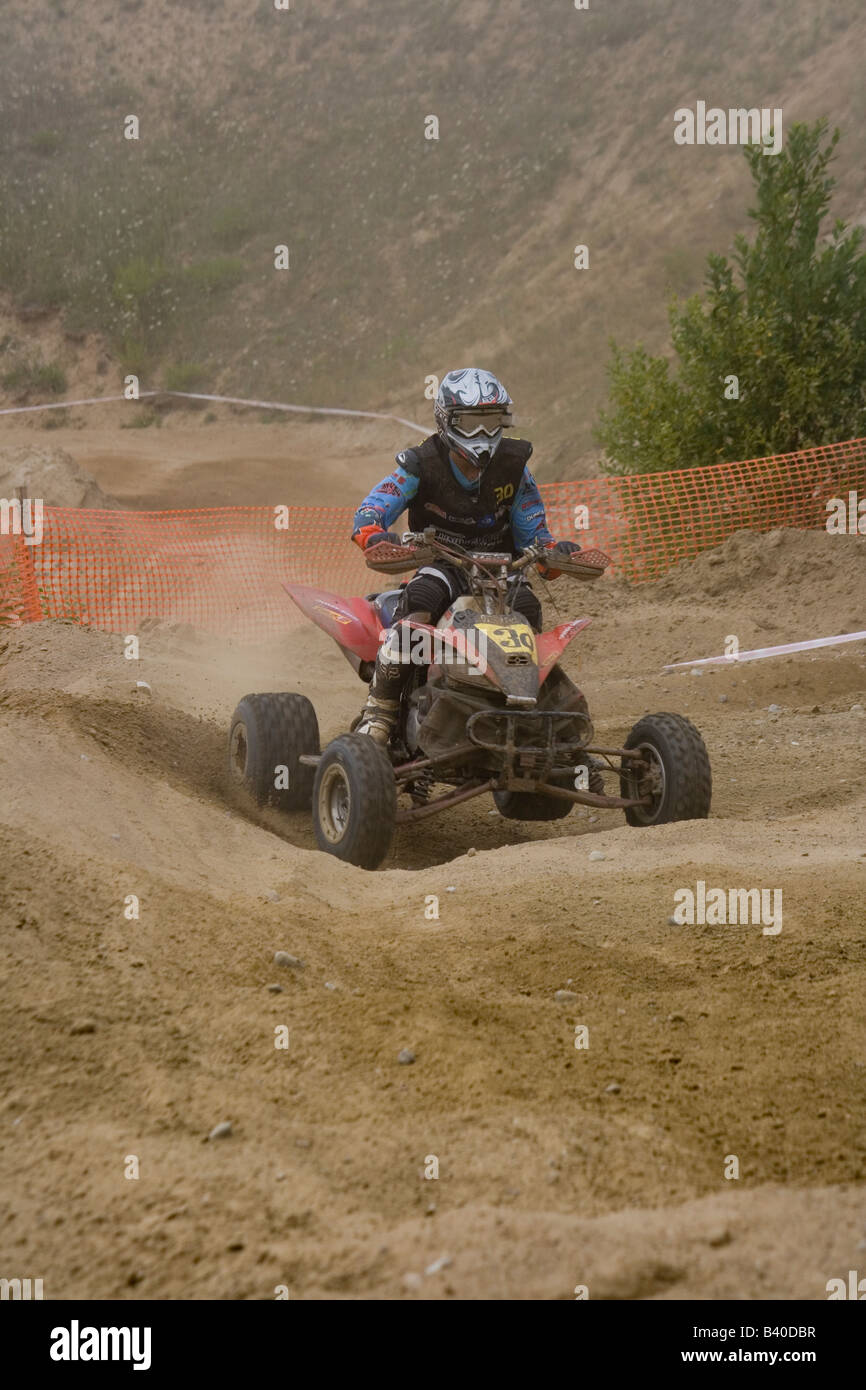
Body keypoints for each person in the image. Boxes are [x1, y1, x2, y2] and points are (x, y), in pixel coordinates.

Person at [350, 367, 581, 744]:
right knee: (421, 602)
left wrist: (553, 553)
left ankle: (523, 713)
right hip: (444, 564)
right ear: (448, 420)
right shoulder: (421, 463)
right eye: (472, 423)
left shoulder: (515, 468)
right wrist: (373, 534)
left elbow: (535, 534)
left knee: (528, 609)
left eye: (491, 422)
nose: (483, 434)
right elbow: (372, 510)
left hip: (501, 574)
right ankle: (381, 710)